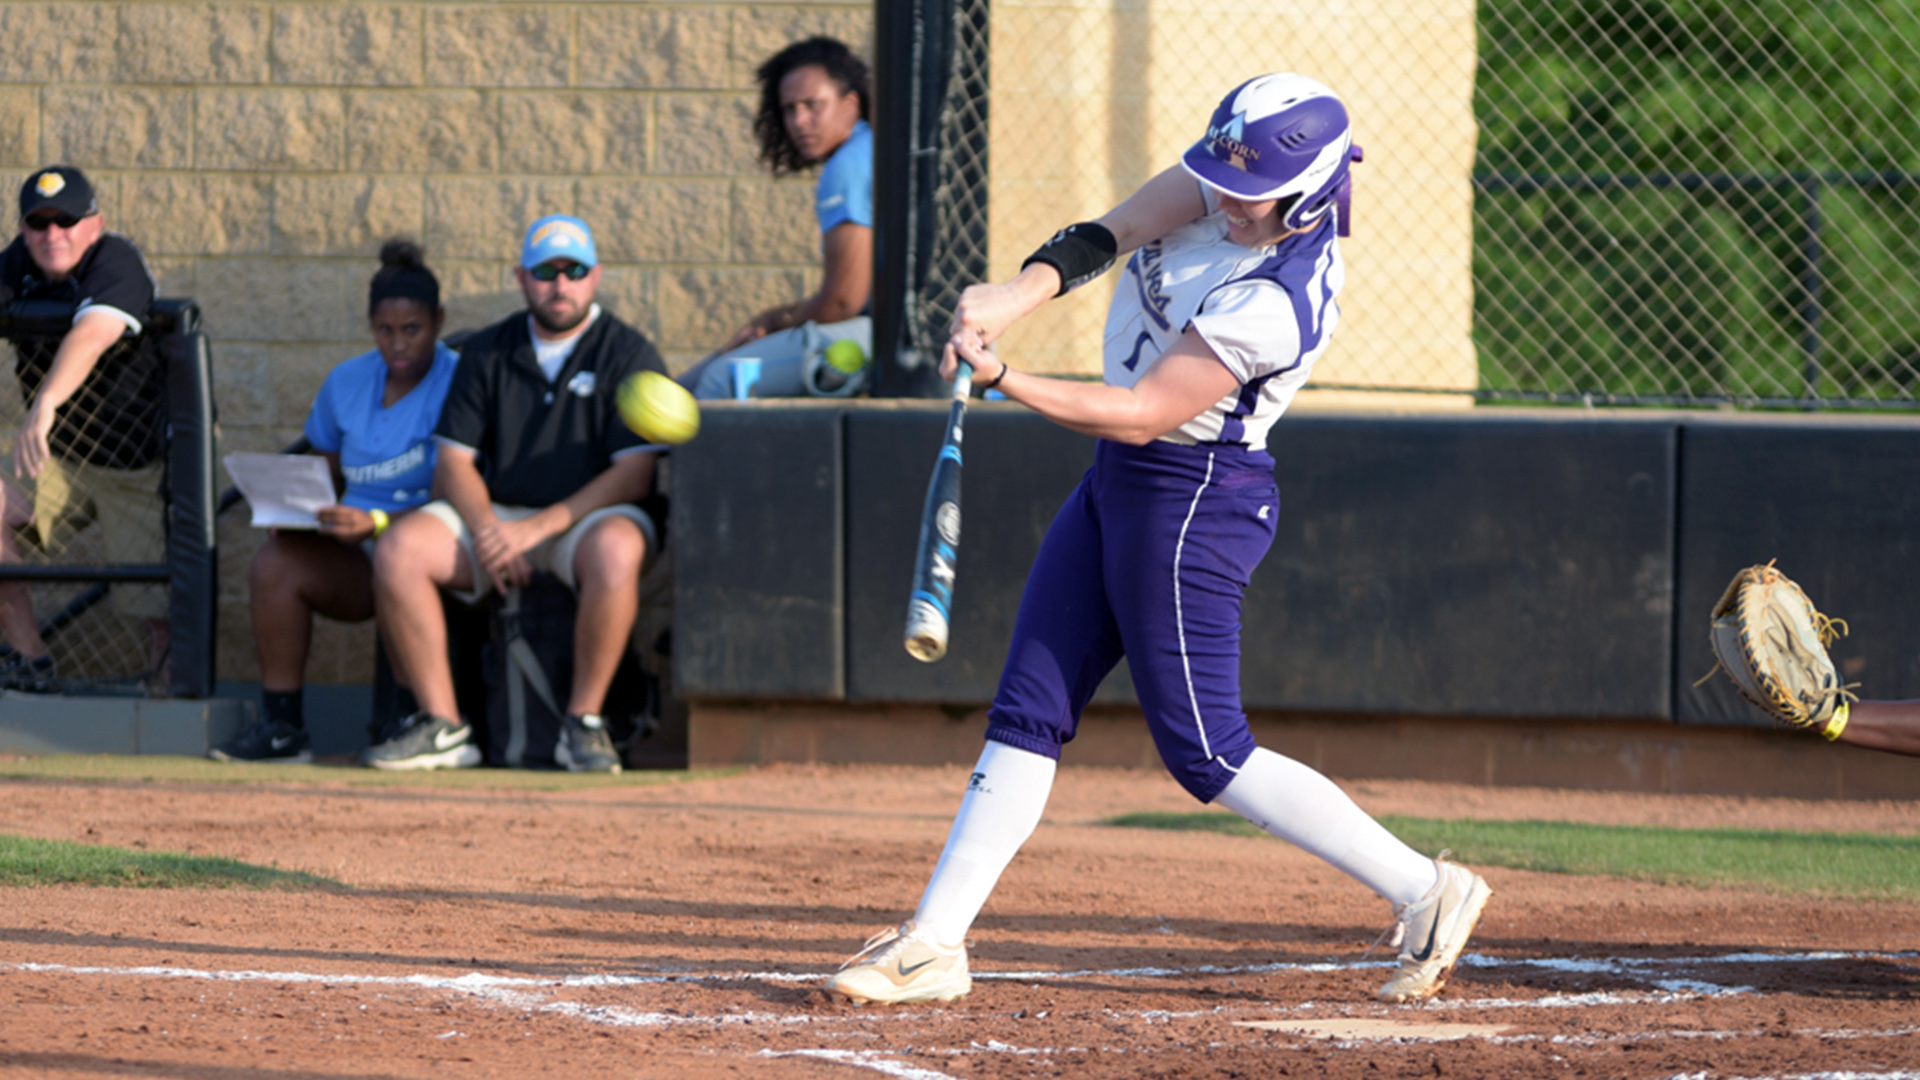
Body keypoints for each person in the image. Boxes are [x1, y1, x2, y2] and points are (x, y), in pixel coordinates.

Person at [824, 75, 1491, 1006]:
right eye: (1220, 170)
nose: (1221, 193)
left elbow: (1140, 415)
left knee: (1207, 752)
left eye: (1245, 184)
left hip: (1193, 500)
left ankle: (1427, 891)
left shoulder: (1282, 296)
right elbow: (1113, 231)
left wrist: (1006, 373)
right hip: (1120, 487)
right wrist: (1014, 295)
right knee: (1029, 706)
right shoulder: (1228, 179)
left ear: (1305, 192)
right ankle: (934, 944)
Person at [366, 214, 666, 772]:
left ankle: (584, 726)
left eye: (573, 270)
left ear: (595, 276)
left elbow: (635, 475)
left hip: (582, 521)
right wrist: (486, 532)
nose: (560, 284)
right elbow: (454, 462)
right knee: (399, 549)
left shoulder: (628, 352)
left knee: (618, 548)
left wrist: (538, 528)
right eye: (545, 272)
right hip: (497, 519)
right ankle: (445, 728)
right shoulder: (487, 350)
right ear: (521, 278)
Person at [209, 240, 458, 764]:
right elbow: (324, 470)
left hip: (431, 546)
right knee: (275, 563)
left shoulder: (460, 379)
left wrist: (378, 522)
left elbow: (458, 490)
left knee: (399, 557)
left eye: (412, 329)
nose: (399, 345)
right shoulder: (347, 380)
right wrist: (297, 512)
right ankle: (283, 728)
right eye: (385, 331)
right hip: (355, 548)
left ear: (438, 320)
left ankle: (412, 721)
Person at [0, 165, 164, 694]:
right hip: (56, 460)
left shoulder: (116, 258)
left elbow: (93, 333)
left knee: (159, 605)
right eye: (39, 223)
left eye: (66, 220)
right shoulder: (15, 265)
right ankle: (30, 663)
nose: (53, 236)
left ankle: (169, 703)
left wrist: (43, 403)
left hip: (141, 468)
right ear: (23, 230)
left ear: (95, 222)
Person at [683, 36, 873, 400]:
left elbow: (844, 301)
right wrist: (777, 319)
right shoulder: (867, 148)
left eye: (813, 105)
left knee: (721, 380)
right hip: (899, 336)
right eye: (789, 109)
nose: (799, 121)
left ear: (850, 105)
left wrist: (779, 321)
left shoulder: (849, 164)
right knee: (690, 382)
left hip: (890, 343)